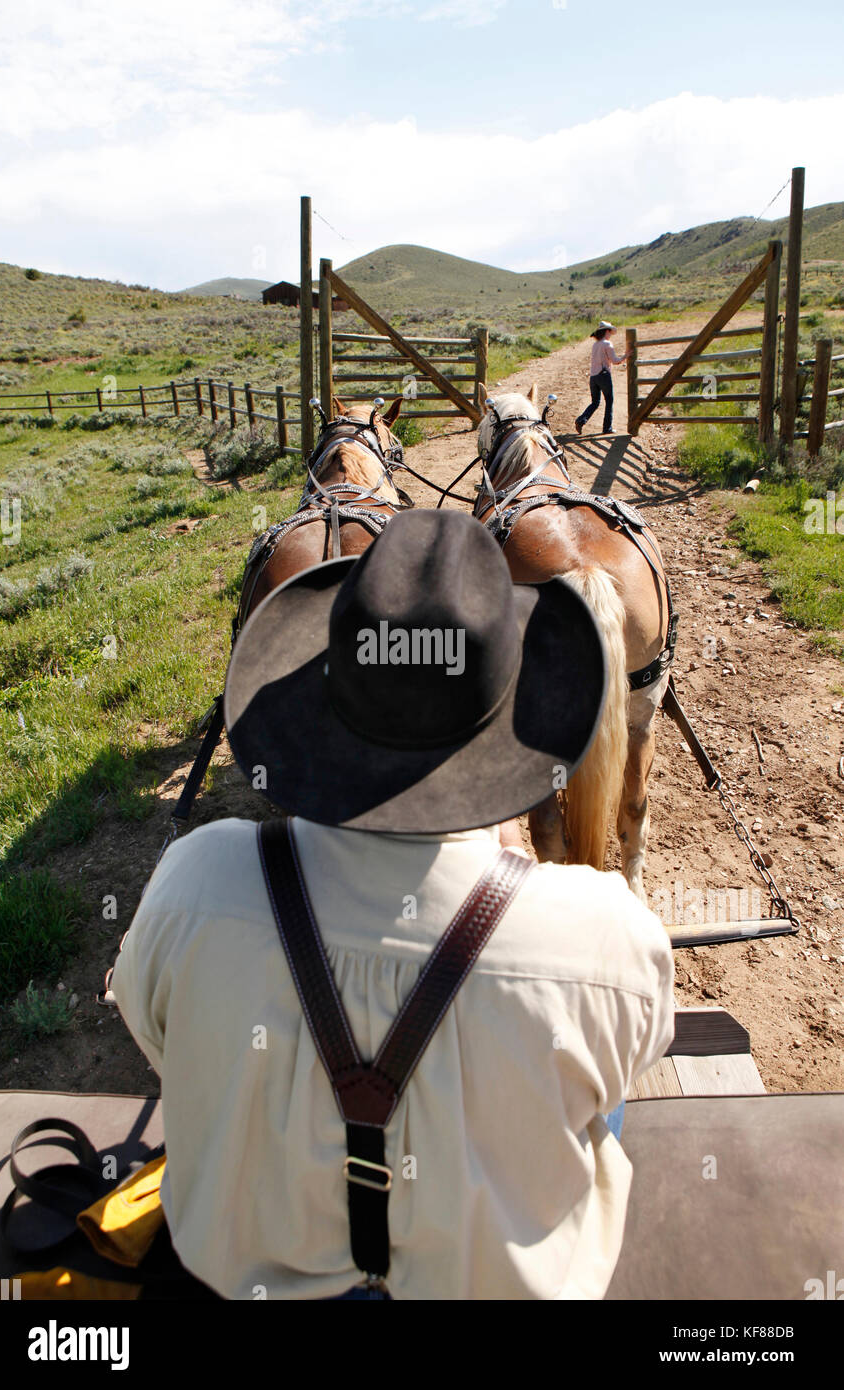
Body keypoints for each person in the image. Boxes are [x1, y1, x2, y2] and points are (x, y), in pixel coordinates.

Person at [111, 509, 674, 1301]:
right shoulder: (604, 935)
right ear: (515, 715)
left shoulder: (192, 882)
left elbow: (153, 1034)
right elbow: (629, 1060)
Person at [575, 320, 632, 436]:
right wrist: (626, 355)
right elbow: (615, 361)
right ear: (607, 331)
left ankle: (581, 420)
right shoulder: (607, 344)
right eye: (610, 332)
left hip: (593, 376)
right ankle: (607, 427)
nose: (611, 334)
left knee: (595, 402)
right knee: (609, 401)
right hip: (604, 375)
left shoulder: (595, 345)